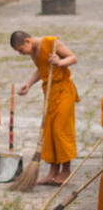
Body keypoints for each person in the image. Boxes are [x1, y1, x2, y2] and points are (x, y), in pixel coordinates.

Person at [11, 31, 79, 185]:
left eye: (20, 50)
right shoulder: (33, 51)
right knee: (49, 131)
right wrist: (28, 84)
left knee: (60, 130)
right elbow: (42, 68)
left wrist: (60, 62)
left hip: (63, 90)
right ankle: (53, 172)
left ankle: (66, 170)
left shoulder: (51, 42)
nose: (20, 54)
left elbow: (73, 58)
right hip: (49, 92)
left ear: (27, 41)